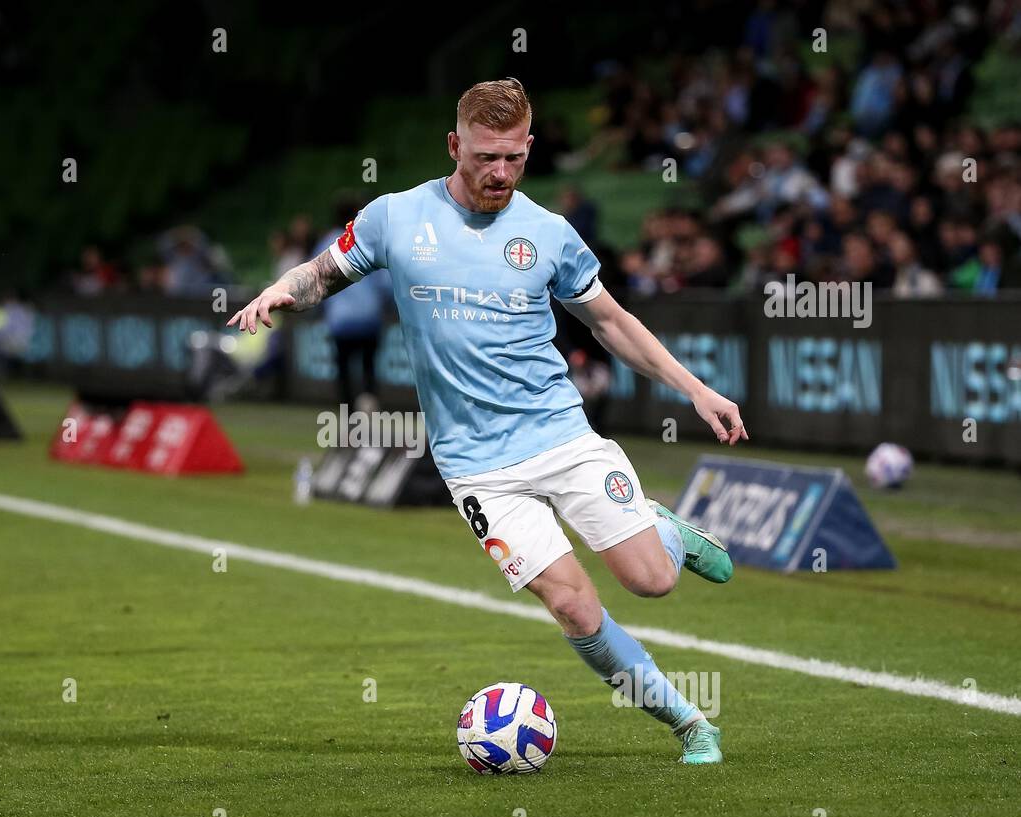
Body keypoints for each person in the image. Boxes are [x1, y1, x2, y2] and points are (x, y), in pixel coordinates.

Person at [230, 79, 747, 765]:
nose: (499, 172)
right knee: (573, 609)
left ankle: (665, 532)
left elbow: (613, 323)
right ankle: (689, 724)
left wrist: (697, 391)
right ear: (455, 146)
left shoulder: (548, 233)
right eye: (484, 157)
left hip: (561, 436)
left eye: (513, 157)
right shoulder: (396, 218)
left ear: (528, 148)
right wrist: (279, 290)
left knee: (651, 581)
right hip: (476, 467)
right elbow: (323, 273)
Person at [312, 199, 394, 407]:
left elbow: (315, 278)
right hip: (369, 318)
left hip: (341, 321)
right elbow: (385, 283)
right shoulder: (367, 237)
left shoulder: (327, 243)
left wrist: (317, 311)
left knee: (343, 369)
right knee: (369, 366)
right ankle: (369, 402)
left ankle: (349, 415)